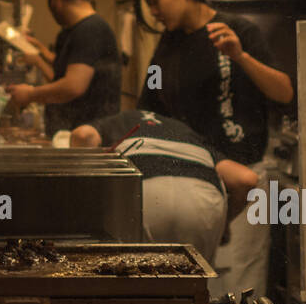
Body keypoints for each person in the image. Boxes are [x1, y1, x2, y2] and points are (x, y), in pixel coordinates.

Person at [135, 0, 293, 167]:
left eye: (155, 1)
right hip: (192, 166)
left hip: (242, 167)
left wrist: (240, 57)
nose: (153, 13)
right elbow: (150, 101)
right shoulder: (168, 42)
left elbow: (284, 92)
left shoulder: (238, 30)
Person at [70, 109, 259, 259]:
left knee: (132, 285)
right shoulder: (185, 131)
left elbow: (84, 135)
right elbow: (246, 179)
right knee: (192, 290)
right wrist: (224, 225)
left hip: (144, 195)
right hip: (203, 203)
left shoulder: (123, 118)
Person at [6, 0, 121, 135]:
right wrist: (41, 53)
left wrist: (30, 94)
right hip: (75, 134)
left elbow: (73, 86)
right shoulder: (77, 30)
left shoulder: (91, 29)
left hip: (87, 138)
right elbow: (63, 75)